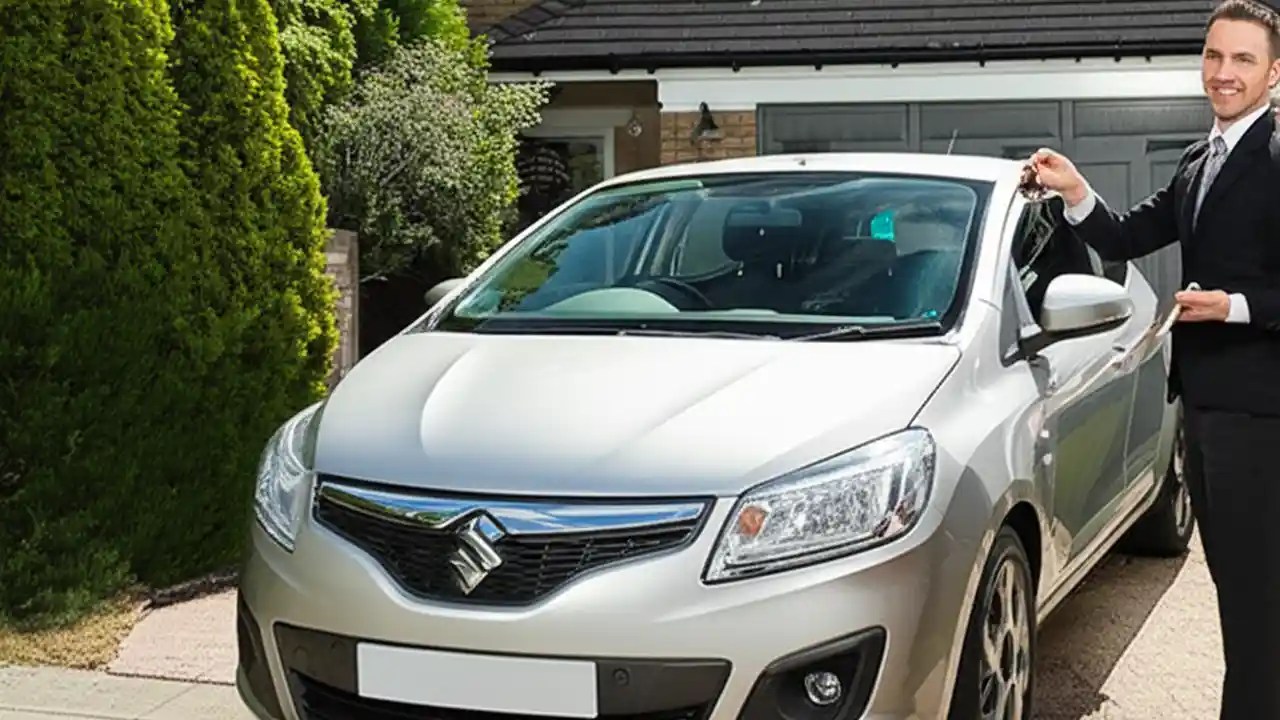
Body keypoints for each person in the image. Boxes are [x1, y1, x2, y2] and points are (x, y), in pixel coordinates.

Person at [1028, 0, 1280, 717]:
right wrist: (1076, 190)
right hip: (1201, 406)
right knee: (1236, 589)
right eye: (1213, 56)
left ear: (1273, 73)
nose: (1223, 74)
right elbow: (1126, 234)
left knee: (1257, 602)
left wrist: (1229, 306)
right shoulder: (1201, 158)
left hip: (1259, 415)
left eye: (1242, 60)